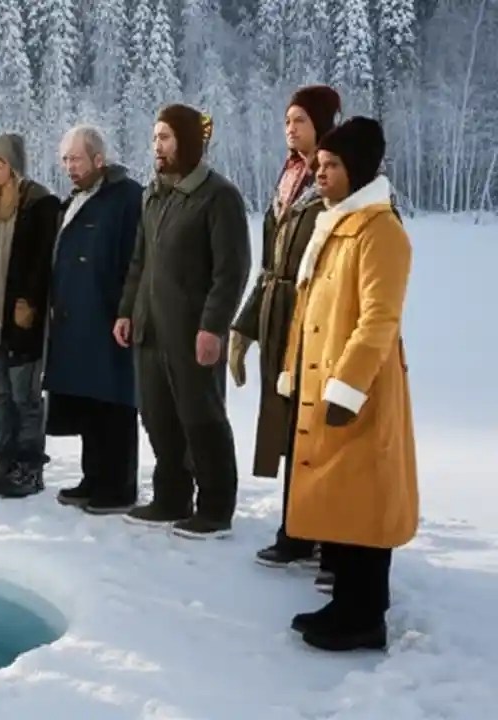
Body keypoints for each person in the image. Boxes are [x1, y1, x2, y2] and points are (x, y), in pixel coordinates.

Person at [276, 116, 417, 652]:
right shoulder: (336, 225)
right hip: (326, 382)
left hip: (362, 390)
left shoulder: (381, 231)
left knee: (364, 501)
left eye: (331, 166)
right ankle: (346, 604)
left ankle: (365, 615)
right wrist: (295, 370)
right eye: (319, 165)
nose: (320, 175)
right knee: (343, 500)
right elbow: (308, 309)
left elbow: (379, 319)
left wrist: (347, 386)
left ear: (356, 169)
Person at [115, 104, 251, 538]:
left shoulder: (217, 196)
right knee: (158, 416)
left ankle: (215, 507)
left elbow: (232, 271)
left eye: (166, 137)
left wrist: (213, 326)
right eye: (155, 137)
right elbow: (140, 262)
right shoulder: (153, 194)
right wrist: (126, 311)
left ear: (189, 142)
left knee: (201, 417)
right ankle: (171, 497)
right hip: (150, 329)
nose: (157, 146)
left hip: (193, 332)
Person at [229, 86, 342, 582]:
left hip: (312, 322)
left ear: (321, 124)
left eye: (299, 120)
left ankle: (333, 540)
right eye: (286, 121)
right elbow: (269, 268)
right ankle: (298, 529)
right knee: (290, 428)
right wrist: (245, 327)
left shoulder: (338, 184)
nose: (290, 128)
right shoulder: (289, 179)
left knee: (318, 430)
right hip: (279, 317)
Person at [45, 125, 143, 514]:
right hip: (77, 318)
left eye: (77, 159)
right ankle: (94, 477)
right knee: (88, 401)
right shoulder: (79, 198)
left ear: (99, 160)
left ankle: (119, 485)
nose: (70, 166)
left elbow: (135, 260)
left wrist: (127, 309)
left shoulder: (126, 198)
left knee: (113, 402)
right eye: (66, 159)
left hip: (109, 316)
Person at [0, 132, 61, 498]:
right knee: (0, 396)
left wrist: (31, 303)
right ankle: (4, 461)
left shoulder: (39, 203)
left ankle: (29, 467)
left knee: (26, 397)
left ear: (14, 166)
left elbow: (43, 262)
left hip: (20, 318)